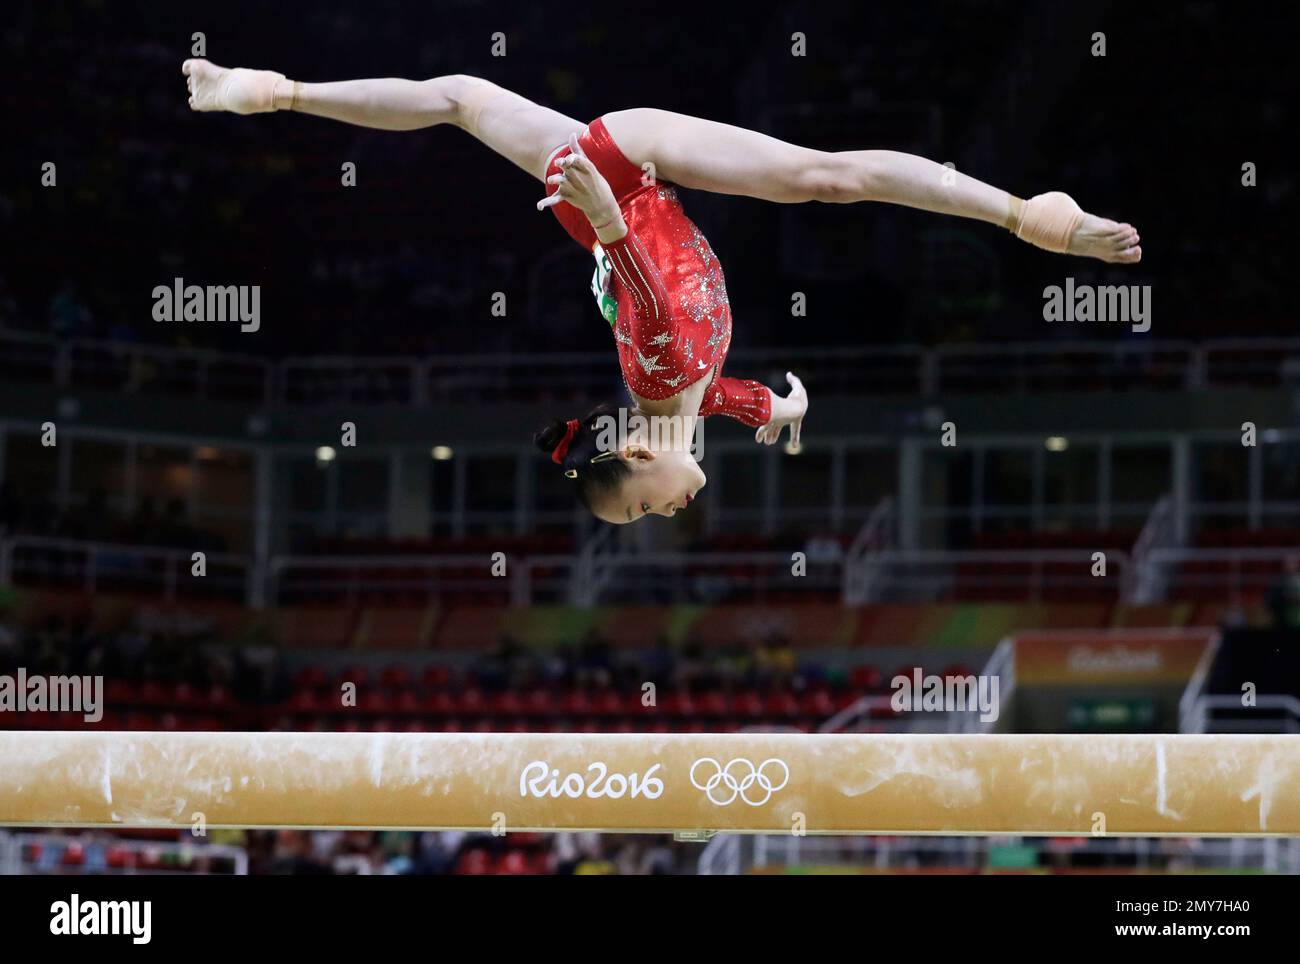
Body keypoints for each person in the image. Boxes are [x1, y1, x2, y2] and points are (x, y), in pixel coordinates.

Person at [182, 62, 1140, 523]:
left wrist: (606, 217)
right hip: (599, 190)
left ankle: (1029, 217)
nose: (660, 517)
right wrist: (786, 407)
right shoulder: (681, 401)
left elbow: (644, 296)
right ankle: (271, 90)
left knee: (824, 178)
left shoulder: (657, 368)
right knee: (458, 100)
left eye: (637, 508)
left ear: (635, 451)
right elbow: (741, 398)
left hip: (625, 176)